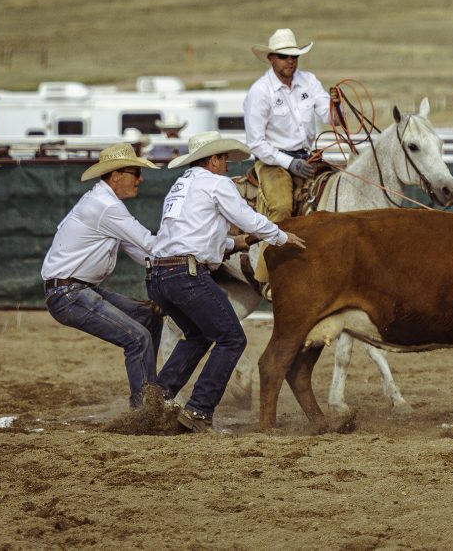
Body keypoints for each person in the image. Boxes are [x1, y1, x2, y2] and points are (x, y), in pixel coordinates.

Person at [148, 130, 307, 433]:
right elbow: (248, 217)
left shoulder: (180, 187)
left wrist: (237, 244)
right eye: (223, 159)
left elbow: (198, 234)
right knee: (232, 338)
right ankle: (198, 411)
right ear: (213, 160)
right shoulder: (217, 183)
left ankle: (157, 397)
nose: (227, 166)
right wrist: (281, 236)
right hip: (186, 274)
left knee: (198, 335)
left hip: (159, 275)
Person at [41, 142, 163, 409]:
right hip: (70, 294)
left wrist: (167, 264)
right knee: (137, 338)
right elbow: (149, 244)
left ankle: (150, 397)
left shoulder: (103, 203)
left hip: (73, 290)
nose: (140, 179)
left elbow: (140, 251)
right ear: (116, 174)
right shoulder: (106, 206)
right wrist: (191, 253)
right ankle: (144, 410)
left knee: (149, 316)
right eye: (135, 172)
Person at [242, 27, 341, 288]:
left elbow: (331, 119)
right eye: (284, 57)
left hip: (307, 158)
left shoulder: (308, 81)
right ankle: (267, 275)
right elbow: (256, 143)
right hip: (273, 161)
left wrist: (337, 106)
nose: (290, 62)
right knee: (282, 207)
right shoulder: (260, 92)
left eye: (294, 57)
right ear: (271, 58)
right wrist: (289, 163)